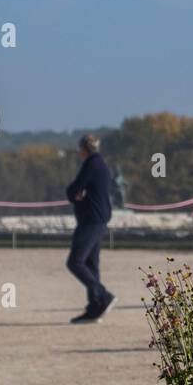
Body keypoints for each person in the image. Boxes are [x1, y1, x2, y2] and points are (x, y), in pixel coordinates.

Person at [65, 134, 115, 323]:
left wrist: (76, 195)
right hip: (99, 219)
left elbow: (73, 189)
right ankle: (95, 306)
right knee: (91, 264)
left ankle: (103, 295)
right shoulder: (102, 164)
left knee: (75, 262)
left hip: (91, 220)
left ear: (84, 149)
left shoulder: (91, 164)